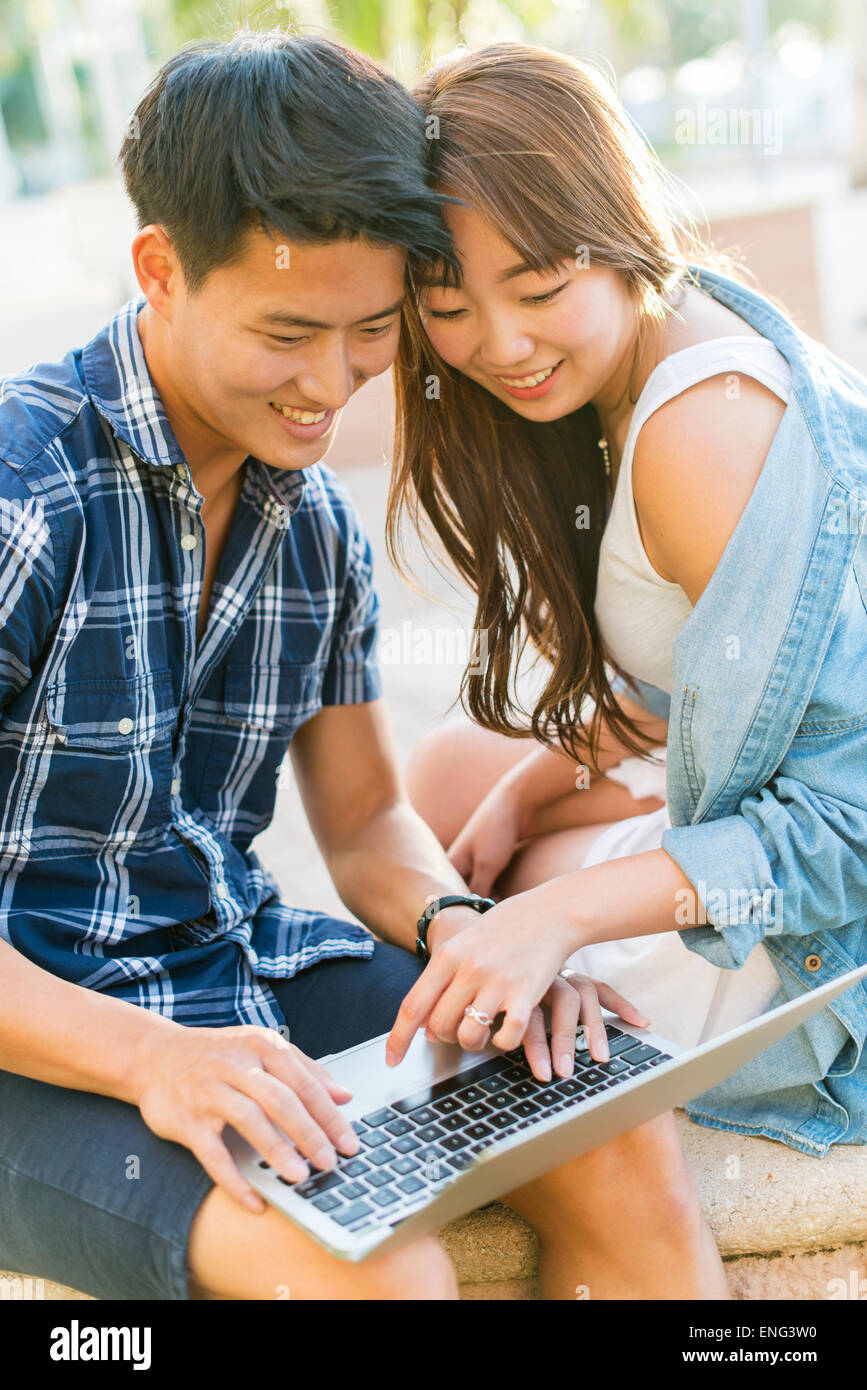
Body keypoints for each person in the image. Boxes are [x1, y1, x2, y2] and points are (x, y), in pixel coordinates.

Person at [0, 29, 728, 1303]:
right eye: (288, 330)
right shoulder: (25, 492)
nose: (329, 386)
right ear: (159, 271)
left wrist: (473, 936)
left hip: (243, 962)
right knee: (374, 1266)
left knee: (611, 1128)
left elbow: (369, 820)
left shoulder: (311, 521)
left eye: (374, 332)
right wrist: (151, 1059)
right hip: (39, 1047)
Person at [387, 42, 867, 1177]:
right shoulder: (666, 334)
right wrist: (522, 792)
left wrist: (558, 917)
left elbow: (851, 827)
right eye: (449, 307)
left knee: (497, 925)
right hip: (776, 818)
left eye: (541, 290)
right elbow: (701, 699)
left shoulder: (701, 432)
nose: (501, 347)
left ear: (620, 229)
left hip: (829, 937)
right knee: (459, 784)